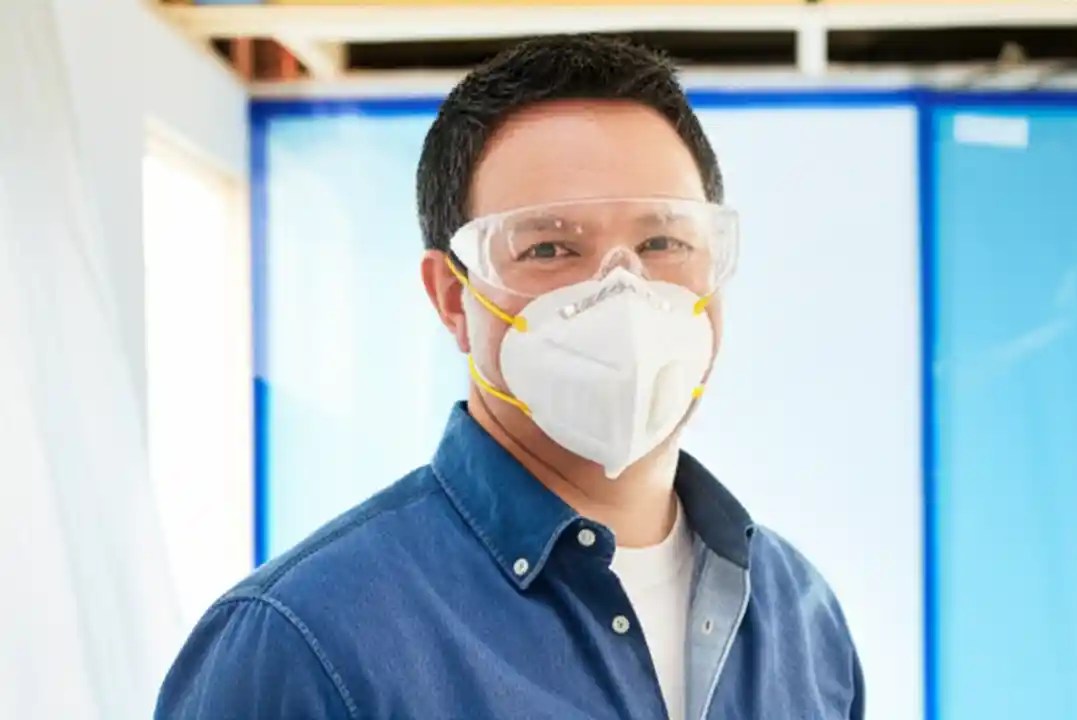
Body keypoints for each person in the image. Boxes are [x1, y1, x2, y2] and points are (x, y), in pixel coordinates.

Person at [156, 34, 864, 720]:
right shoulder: (303, 644)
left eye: (662, 242)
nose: (624, 293)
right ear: (451, 297)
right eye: (550, 247)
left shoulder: (799, 618)